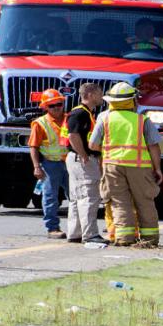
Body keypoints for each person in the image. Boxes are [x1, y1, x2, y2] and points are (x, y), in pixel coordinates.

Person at [88, 82, 163, 247]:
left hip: (112, 166)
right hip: (140, 167)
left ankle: (125, 238)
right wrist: (157, 168)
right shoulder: (143, 120)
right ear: (132, 101)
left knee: (119, 202)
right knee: (145, 202)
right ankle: (149, 240)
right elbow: (154, 146)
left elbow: (93, 145)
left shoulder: (104, 118)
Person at [61, 82, 106, 244]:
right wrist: (84, 155)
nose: (102, 97)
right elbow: (73, 136)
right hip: (81, 159)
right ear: (90, 95)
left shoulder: (85, 113)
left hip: (77, 159)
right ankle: (91, 235)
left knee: (77, 198)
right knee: (89, 197)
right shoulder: (80, 113)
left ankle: (75, 233)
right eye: (99, 93)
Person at [29, 88, 69, 239]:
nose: (56, 108)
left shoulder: (69, 119)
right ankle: (52, 228)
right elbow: (33, 147)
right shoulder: (40, 124)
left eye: (58, 104)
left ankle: (76, 226)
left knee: (76, 196)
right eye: (52, 106)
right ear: (45, 107)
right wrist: (37, 167)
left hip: (69, 162)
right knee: (50, 197)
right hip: (51, 164)